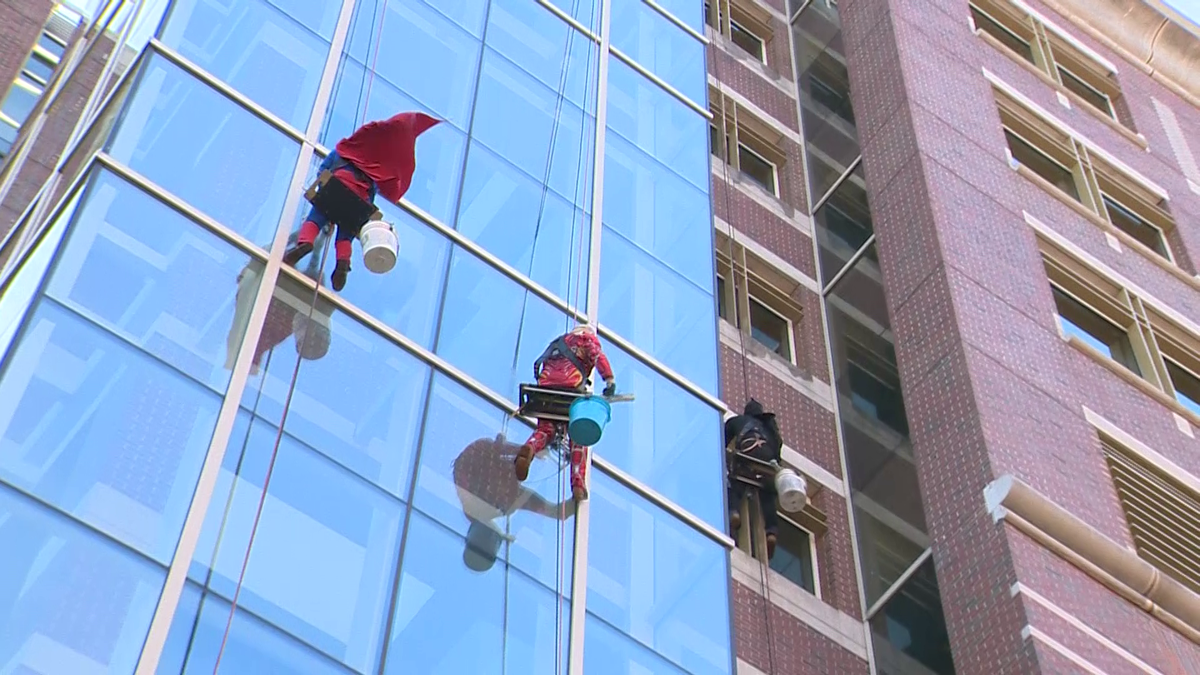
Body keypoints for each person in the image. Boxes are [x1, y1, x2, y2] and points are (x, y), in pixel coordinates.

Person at [283, 111, 440, 291]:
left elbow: (324, 168)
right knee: (347, 232)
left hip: (338, 183)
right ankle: (343, 262)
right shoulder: (376, 173)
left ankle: (305, 242)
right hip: (359, 197)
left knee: (316, 217)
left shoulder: (343, 150)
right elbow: (373, 194)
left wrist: (321, 185)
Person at [514, 325, 616, 503]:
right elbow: (597, 355)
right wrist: (609, 380)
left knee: (546, 429)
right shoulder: (586, 340)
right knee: (579, 435)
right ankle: (577, 481)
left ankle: (530, 447)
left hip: (546, 388)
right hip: (570, 386)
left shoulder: (557, 343)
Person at [454, 434, 574, 572]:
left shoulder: (471, 495)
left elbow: (481, 450)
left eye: (489, 542)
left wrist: (524, 451)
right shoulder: (504, 504)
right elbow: (546, 508)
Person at [725, 398, 783, 558]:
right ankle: (771, 532)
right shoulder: (770, 429)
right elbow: (778, 449)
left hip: (747, 456)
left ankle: (734, 511)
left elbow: (722, 441)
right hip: (767, 462)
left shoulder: (737, 421)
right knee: (768, 495)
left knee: (736, 482)